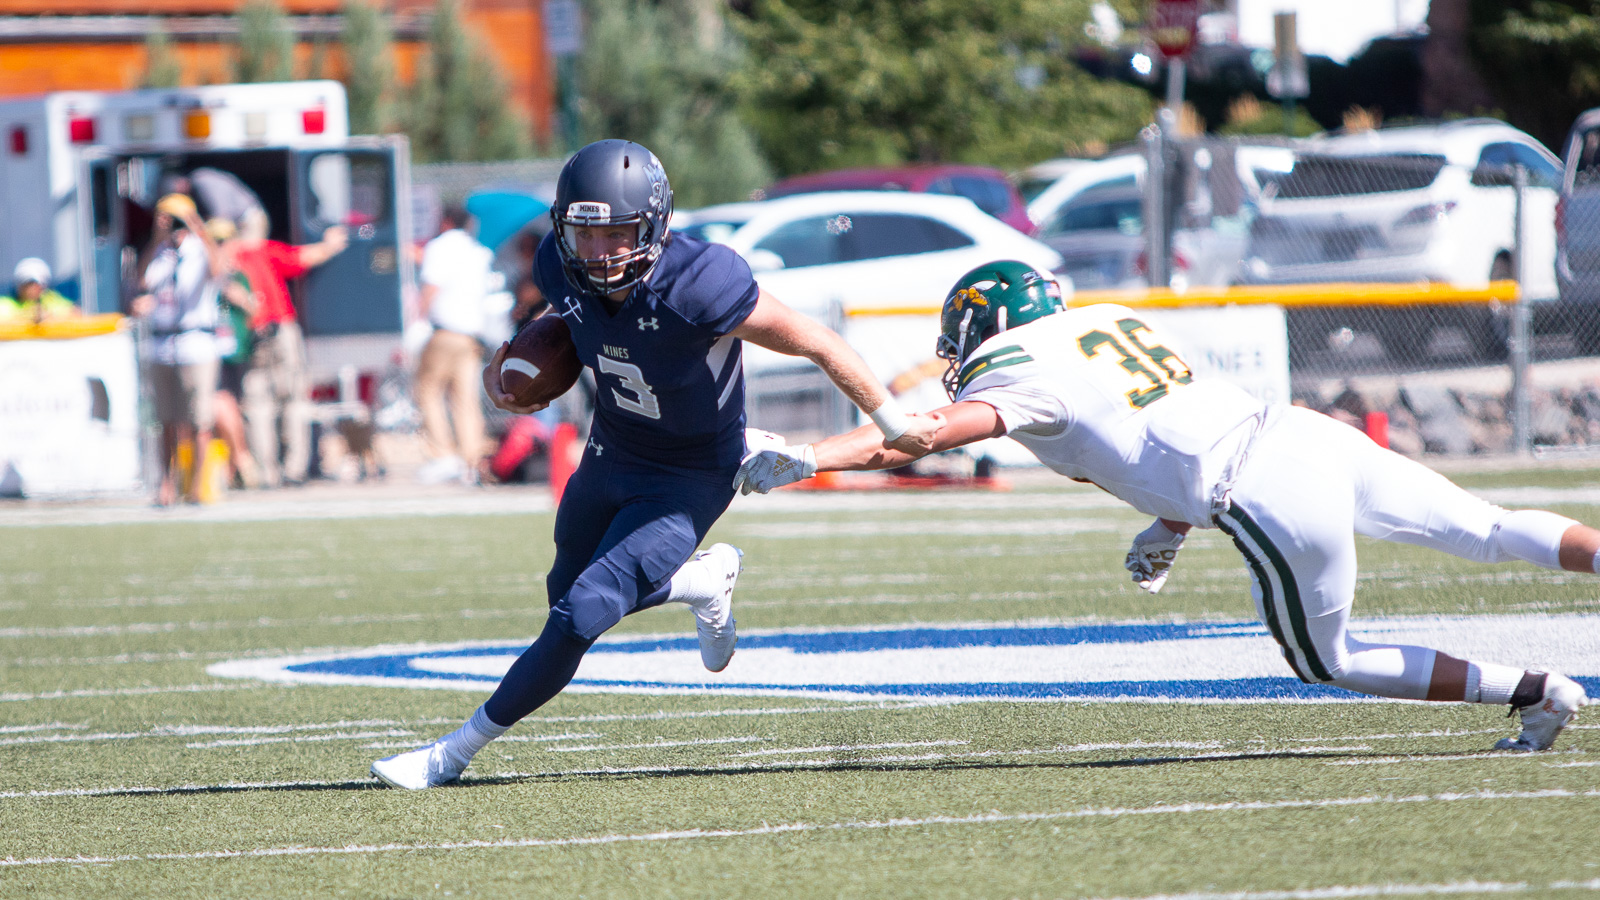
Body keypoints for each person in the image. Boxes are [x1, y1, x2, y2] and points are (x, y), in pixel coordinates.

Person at [734, 259, 1593, 753]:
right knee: (1488, 528)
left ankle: (1539, 690)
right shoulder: (1105, 320)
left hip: (1259, 490)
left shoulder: (1019, 370)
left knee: (1326, 660)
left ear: (983, 324)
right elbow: (1160, 424)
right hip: (1304, 434)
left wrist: (809, 456)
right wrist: (1168, 524)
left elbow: (918, 434)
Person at [370, 139, 939, 789]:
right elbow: (574, 333)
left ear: (656, 225)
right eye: (586, 234)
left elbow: (818, 340)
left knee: (581, 613)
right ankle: (701, 582)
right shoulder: (561, 266)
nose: (602, 251)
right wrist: (515, 379)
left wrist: (893, 424)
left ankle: (451, 754)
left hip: (690, 474)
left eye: (619, 233)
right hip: (613, 449)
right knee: (565, 595)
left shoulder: (701, 283)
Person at [232, 209, 347, 488]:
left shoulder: (228, 257)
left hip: (251, 333)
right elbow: (303, 257)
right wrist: (331, 244)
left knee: (259, 405)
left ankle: (266, 473)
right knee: (294, 400)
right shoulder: (265, 250)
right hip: (279, 330)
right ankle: (295, 468)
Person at [130, 194, 227, 506]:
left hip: (196, 343)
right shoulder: (160, 254)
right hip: (163, 344)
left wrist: (199, 229)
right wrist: (155, 239)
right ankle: (166, 485)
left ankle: (197, 487)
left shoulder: (200, 251)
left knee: (199, 421)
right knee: (166, 422)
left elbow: (218, 271)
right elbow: (141, 280)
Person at [413, 206, 495, 485]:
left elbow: (431, 287)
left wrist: (417, 320)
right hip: (472, 333)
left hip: (445, 331)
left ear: (445, 221)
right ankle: (472, 460)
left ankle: (443, 453)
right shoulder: (479, 251)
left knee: (428, 390)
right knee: (465, 398)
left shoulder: (439, 247)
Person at [205, 217, 261, 489]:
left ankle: (236, 463)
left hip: (234, 351)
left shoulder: (239, 275)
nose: (221, 247)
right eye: (216, 241)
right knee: (218, 404)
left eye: (224, 241)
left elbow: (255, 312)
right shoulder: (204, 272)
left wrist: (242, 299)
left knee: (226, 403)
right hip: (208, 350)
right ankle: (239, 460)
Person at [0, 258, 80, 323]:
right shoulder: (7, 304)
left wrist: (50, 317)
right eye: (27, 283)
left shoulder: (51, 301)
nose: (33, 288)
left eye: (36, 283)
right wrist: (25, 318)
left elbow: (77, 315)